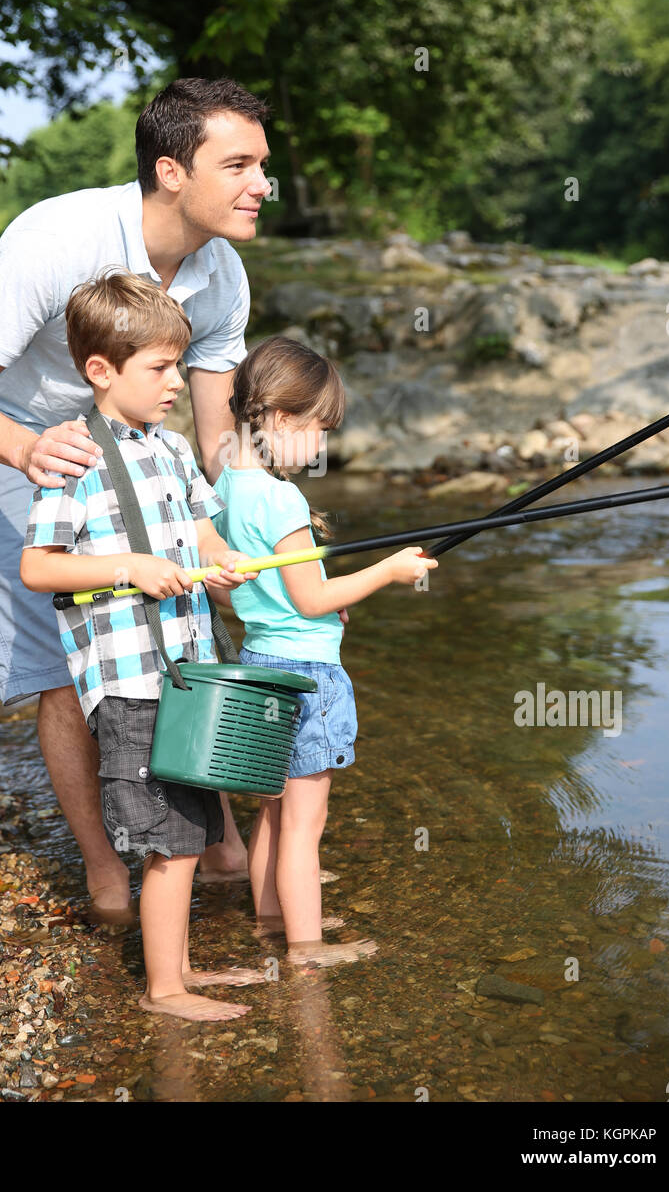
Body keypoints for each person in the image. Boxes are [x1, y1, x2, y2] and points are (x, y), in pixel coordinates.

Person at [0, 76, 302, 922]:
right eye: (238, 165)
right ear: (172, 171)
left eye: (264, 166)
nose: (262, 185)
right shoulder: (62, 239)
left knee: (190, 621)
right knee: (66, 663)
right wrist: (26, 448)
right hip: (4, 433)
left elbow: (215, 442)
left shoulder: (223, 277)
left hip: (133, 434)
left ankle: (219, 845)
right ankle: (105, 877)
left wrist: (258, 533)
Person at [21, 272, 265, 1020]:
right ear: (101, 370)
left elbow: (204, 538)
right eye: (158, 368)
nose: (174, 383)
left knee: (192, 823)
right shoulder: (75, 458)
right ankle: (164, 992)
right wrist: (130, 568)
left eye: (177, 366)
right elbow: (39, 567)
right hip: (129, 687)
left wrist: (232, 573)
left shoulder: (174, 452)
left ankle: (183, 968)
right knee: (171, 843)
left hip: (190, 678)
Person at [211, 336, 439, 968]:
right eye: (318, 430)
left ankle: (273, 917)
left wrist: (324, 595)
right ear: (280, 419)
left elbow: (277, 591)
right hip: (306, 674)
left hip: (260, 663)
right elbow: (311, 600)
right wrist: (387, 572)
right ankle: (307, 949)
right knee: (304, 828)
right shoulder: (282, 498)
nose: (322, 446)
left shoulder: (228, 483)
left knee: (272, 816)